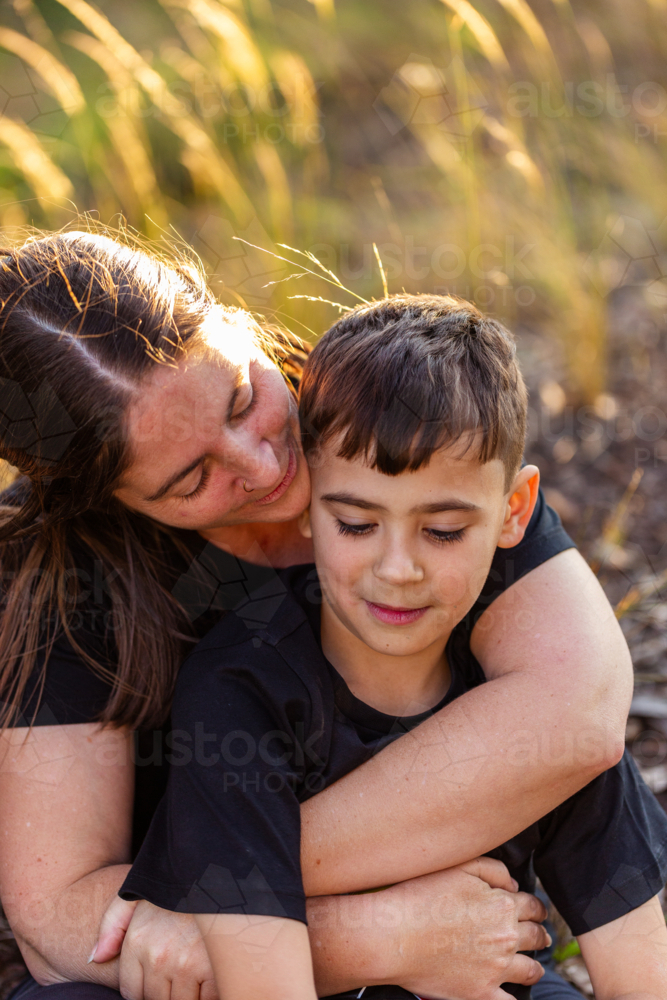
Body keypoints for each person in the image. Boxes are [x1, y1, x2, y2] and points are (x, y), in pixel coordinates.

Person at [0, 230, 631, 999]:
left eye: (241, 400)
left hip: (453, 936)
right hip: (210, 972)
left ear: (234, 319)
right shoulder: (57, 573)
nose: (264, 466)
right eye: (191, 478)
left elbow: (577, 711)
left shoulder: (388, 408)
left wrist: (220, 887)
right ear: (106, 501)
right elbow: (56, 914)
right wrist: (374, 936)